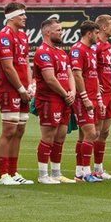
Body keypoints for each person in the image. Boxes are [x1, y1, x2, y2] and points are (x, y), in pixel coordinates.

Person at [32, 18, 75, 184]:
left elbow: (70, 74)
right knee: (48, 136)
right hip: (49, 99)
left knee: (61, 136)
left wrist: (72, 92)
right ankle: (43, 175)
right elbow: (50, 79)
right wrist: (66, 94)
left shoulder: (62, 53)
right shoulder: (42, 52)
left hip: (64, 99)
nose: (61, 33)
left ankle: (56, 173)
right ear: (48, 32)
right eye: (58, 30)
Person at [0, 2, 33, 185]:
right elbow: (8, 67)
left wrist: (30, 84)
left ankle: (13, 171)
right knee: (9, 130)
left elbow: (25, 62)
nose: (25, 18)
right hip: (10, 90)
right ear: (11, 17)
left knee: (19, 130)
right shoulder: (4, 36)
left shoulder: (23, 36)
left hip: (24, 89)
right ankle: (3, 174)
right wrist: (20, 88)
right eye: (21, 15)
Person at [70, 20, 103, 183]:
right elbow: (77, 74)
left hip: (91, 97)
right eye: (97, 33)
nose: (99, 36)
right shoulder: (78, 50)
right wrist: (84, 97)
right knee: (91, 133)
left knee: (84, 136)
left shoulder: (91, 50)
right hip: (82, 99)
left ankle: (79, 173)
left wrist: (99, 99)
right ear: (89, 33)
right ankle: (86, 172)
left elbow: (94, 76)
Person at [92, 15, 111, 179]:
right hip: (99, 94)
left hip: (108, 93)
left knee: (105, 132)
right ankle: (88, 169)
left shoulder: (107, 45)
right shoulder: (96, 46)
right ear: (103, 28)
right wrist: (95, 84)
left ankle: (99, 168)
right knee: (95, 131)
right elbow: (89, 68)